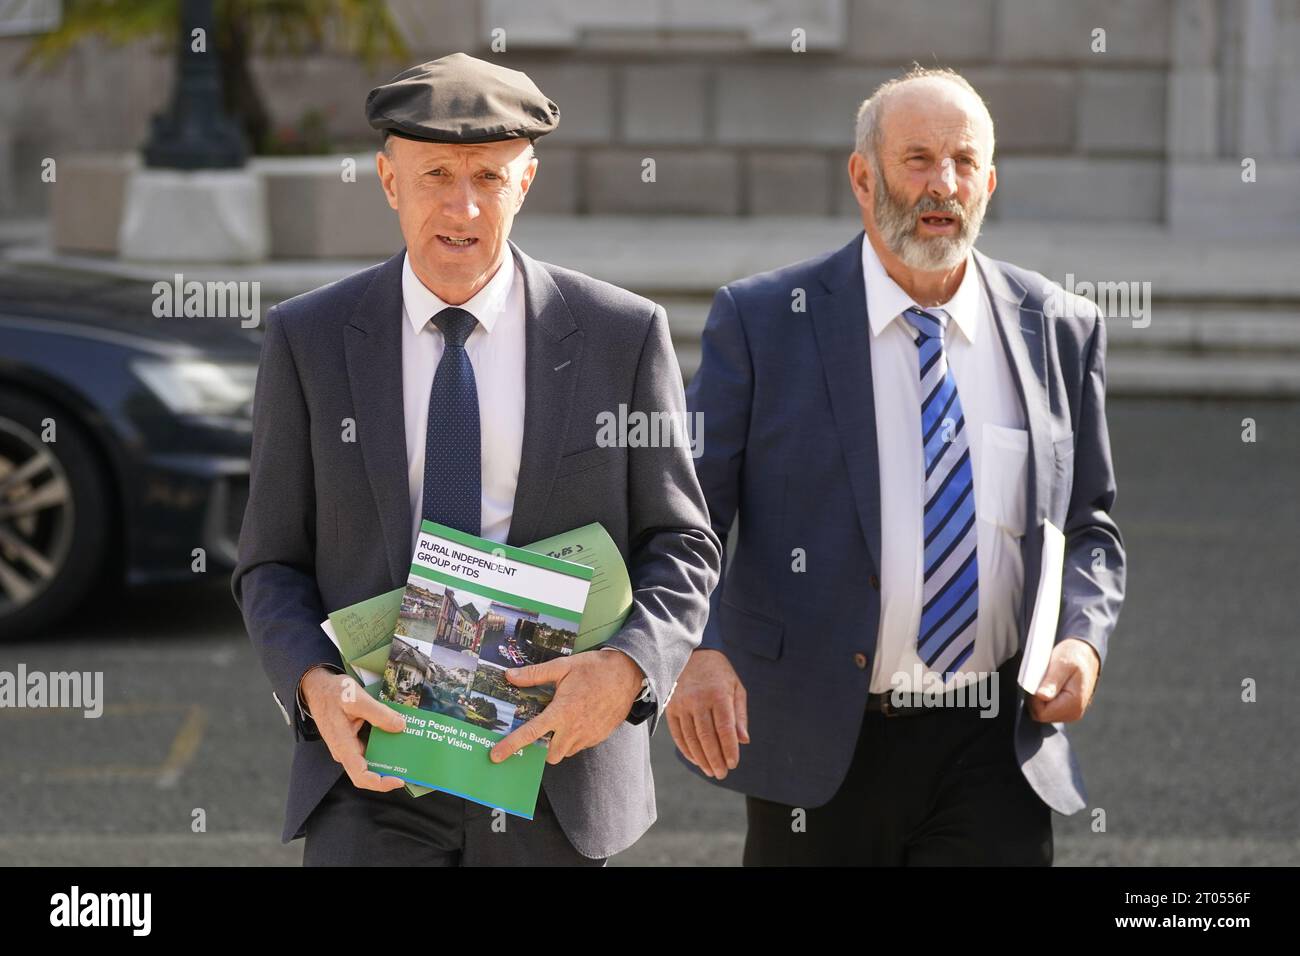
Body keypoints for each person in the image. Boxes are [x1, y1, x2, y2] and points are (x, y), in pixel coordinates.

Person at [232, 53, 720, 866]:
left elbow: (683, 544)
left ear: (525, 183)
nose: (462, 207)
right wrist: (316, 688)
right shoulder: (308, 339)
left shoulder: (621, 336)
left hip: (554, 773)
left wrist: (631, 671)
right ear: (389, 183)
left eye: (489, 178)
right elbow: (270, 563)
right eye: (434, 177)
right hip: (374, 776)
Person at [671, 65, 1126, 865]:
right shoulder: (766, 322)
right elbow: (687, 518)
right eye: (916, 158)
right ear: (862, 174)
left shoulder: (1059, 327)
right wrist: (698, 647)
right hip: (821, 745)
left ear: (990, 179)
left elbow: (1090, 527)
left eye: (961, 162)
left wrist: (1082, 639)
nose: (940, 184)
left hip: (995, 749)